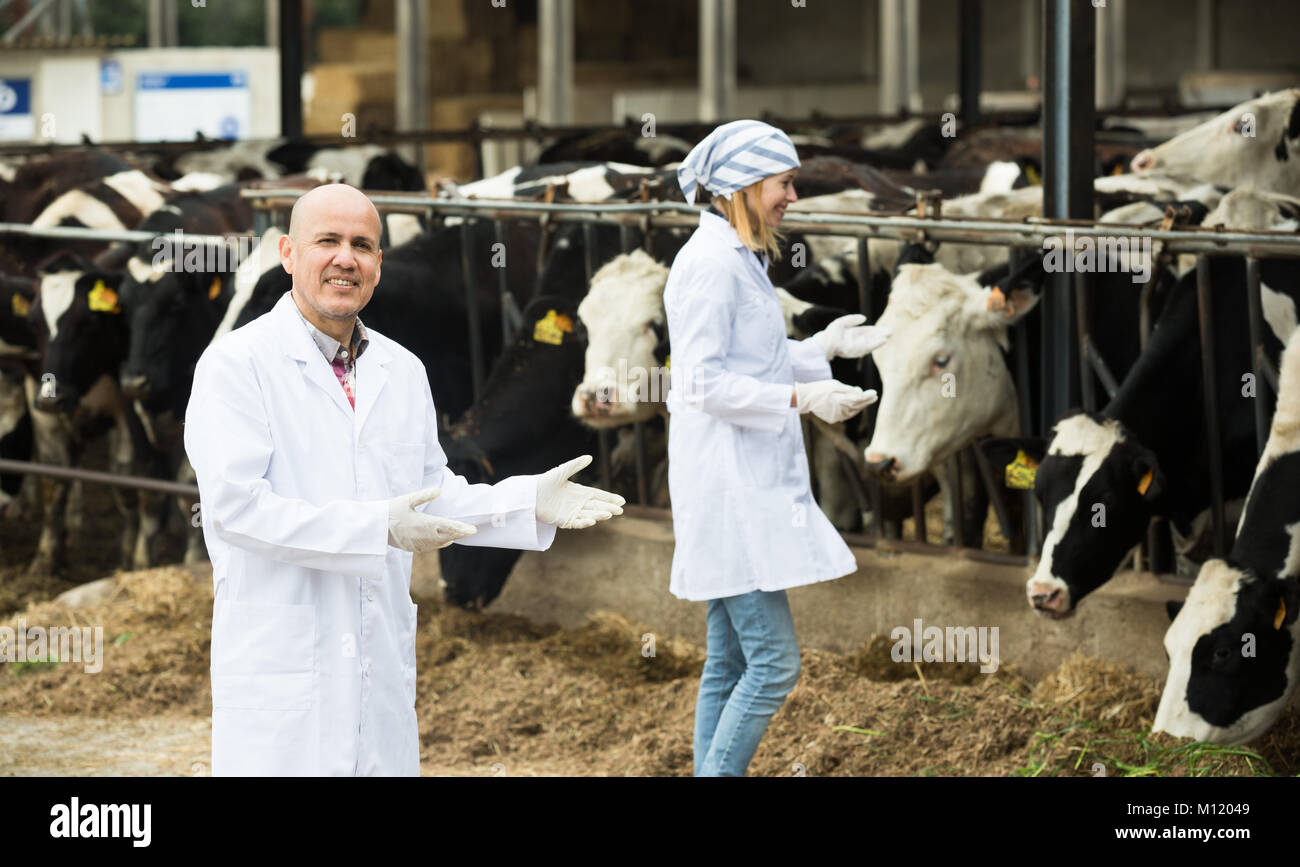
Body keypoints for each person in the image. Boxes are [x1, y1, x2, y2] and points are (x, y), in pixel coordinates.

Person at [184, 183, 624, 776]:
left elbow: (430, 495)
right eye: (328, 241)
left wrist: (525, 502)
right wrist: (377, 527)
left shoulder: (403, 370)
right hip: (283, 669)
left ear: (379, 266)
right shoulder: (236, 366)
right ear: (288, 252)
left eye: (362, 245)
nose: (346, 258)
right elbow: (237, 512)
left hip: (377, 668)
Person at [665, 120, 890, 777]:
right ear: (743, 184)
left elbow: (752, 358)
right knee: (774, 663)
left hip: (734, 481)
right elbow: (701, 383)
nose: (793, 195)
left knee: (730, 658)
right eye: (784, 182)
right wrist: (802, 399)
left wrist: (820, 352)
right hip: (729, 485)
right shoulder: (711, 265)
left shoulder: (734, 254)